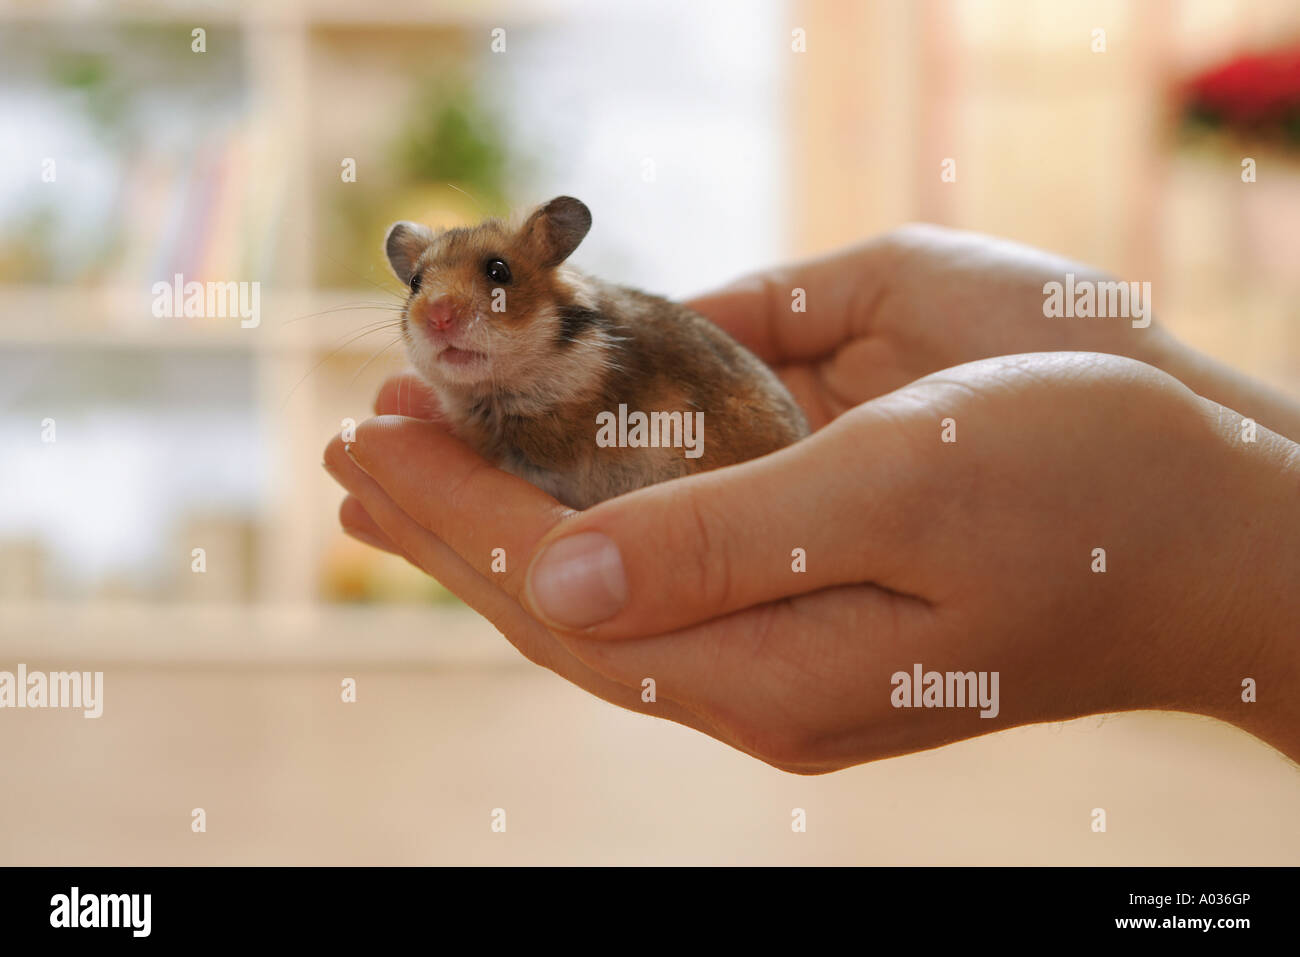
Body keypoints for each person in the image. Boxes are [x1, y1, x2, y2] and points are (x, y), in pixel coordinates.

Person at [322, 224, 1300, 772]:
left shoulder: (589, 350)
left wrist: (1216, 557)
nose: (440, 309)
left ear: (548, 266)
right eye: (421, 290)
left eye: (490, 277)